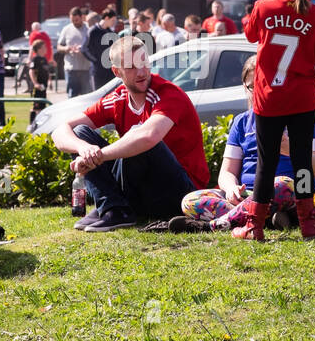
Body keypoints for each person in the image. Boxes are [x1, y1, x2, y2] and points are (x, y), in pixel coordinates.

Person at [51, 34, 211, 232]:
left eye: (144, 62)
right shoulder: (117, 98)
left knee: (138, 135)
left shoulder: (169, 94)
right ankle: (113, 207)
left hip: (183, 195)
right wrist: (84, 149)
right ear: (117, 72)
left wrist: (97, 156)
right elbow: (60, 131)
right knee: (80, 132)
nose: (141, 71)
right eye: (131, 67)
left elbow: (148, 137)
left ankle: (114, 206)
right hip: (145, 190)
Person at [239, 0, 315, 241]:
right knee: (302, 162)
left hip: (269, 98)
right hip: (302, 99)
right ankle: (308, 222)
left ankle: (254, 226)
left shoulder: (263, 7)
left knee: (265, 162)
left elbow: (249, 34)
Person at [181, 55, 315, 232]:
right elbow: (227, 172)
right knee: (190, 200)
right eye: (253, 87)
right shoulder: (241, 122)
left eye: (266, 85)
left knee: (281, 185)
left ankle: (217, 224)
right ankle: (260, 217)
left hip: (287, 192)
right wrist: (231, 189)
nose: (260, 92)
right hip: (247, 195)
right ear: (245, 87)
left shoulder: (304, 121)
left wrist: (290, 149)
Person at [58, 6, 91, 98]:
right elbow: (59, 46)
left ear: (81, 17)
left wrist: (83, 49)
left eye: (76, 20)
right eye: (72, 20)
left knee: (87, 97)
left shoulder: (88, 28)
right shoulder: (66, 29)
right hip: (71, 69)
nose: (74, 22)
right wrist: (66, 49)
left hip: (86, 69)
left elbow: (93, 46)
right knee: (72, 96)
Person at [86, 7, 117, 89]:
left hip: (109, 71)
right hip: (97, 71)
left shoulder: (110, 32)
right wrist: (95, 60)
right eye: (113, 20)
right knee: (97, 96)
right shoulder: (93, 31)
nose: (114, 23)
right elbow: (84, 49)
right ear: (106, 18)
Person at [27, 38, 50, 126]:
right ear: (39, 49)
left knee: (42, 106)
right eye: (44, 47)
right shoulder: (35, 59)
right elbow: (31, 71)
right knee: (35, 106)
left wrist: (50, 81)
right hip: (36, 87)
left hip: (44, 86)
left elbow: (47, 71)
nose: (46, 49)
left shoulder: (44, 59)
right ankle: (31, 125)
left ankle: (39, 124)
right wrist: (35, 83)